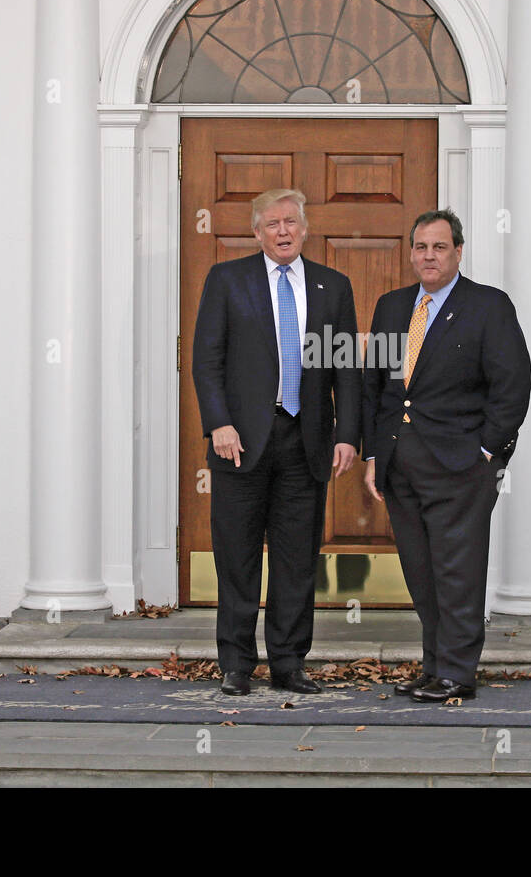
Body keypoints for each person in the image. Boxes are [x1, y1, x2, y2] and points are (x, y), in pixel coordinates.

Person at [192, 188, 360, 696]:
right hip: (239, 443)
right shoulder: (227, 280)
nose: (283, 231)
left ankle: (288, 663)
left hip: (305, 442)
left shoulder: (334, 286)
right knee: (237, 558)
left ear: (305, 229)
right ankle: (237, 664)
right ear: (256, 232)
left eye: (291, 221)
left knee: (295, 560)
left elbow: (346, 369)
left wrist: (348, 434)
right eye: (271, 223)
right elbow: (207, 360)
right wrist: (218, 423)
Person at [361, 209, 531, 703]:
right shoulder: (392, 307)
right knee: (421, 570)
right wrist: (374, 454)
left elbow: (512, 384)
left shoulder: (488, 306)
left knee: (457, 569)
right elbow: (377, 387)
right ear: (411, 253)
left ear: (458, 251)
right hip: (399, 461)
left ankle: (458, 672)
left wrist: (486, 451)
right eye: (420, 247)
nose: (428, 256)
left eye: (439, 247)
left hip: (462, 463)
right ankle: (434, 666)